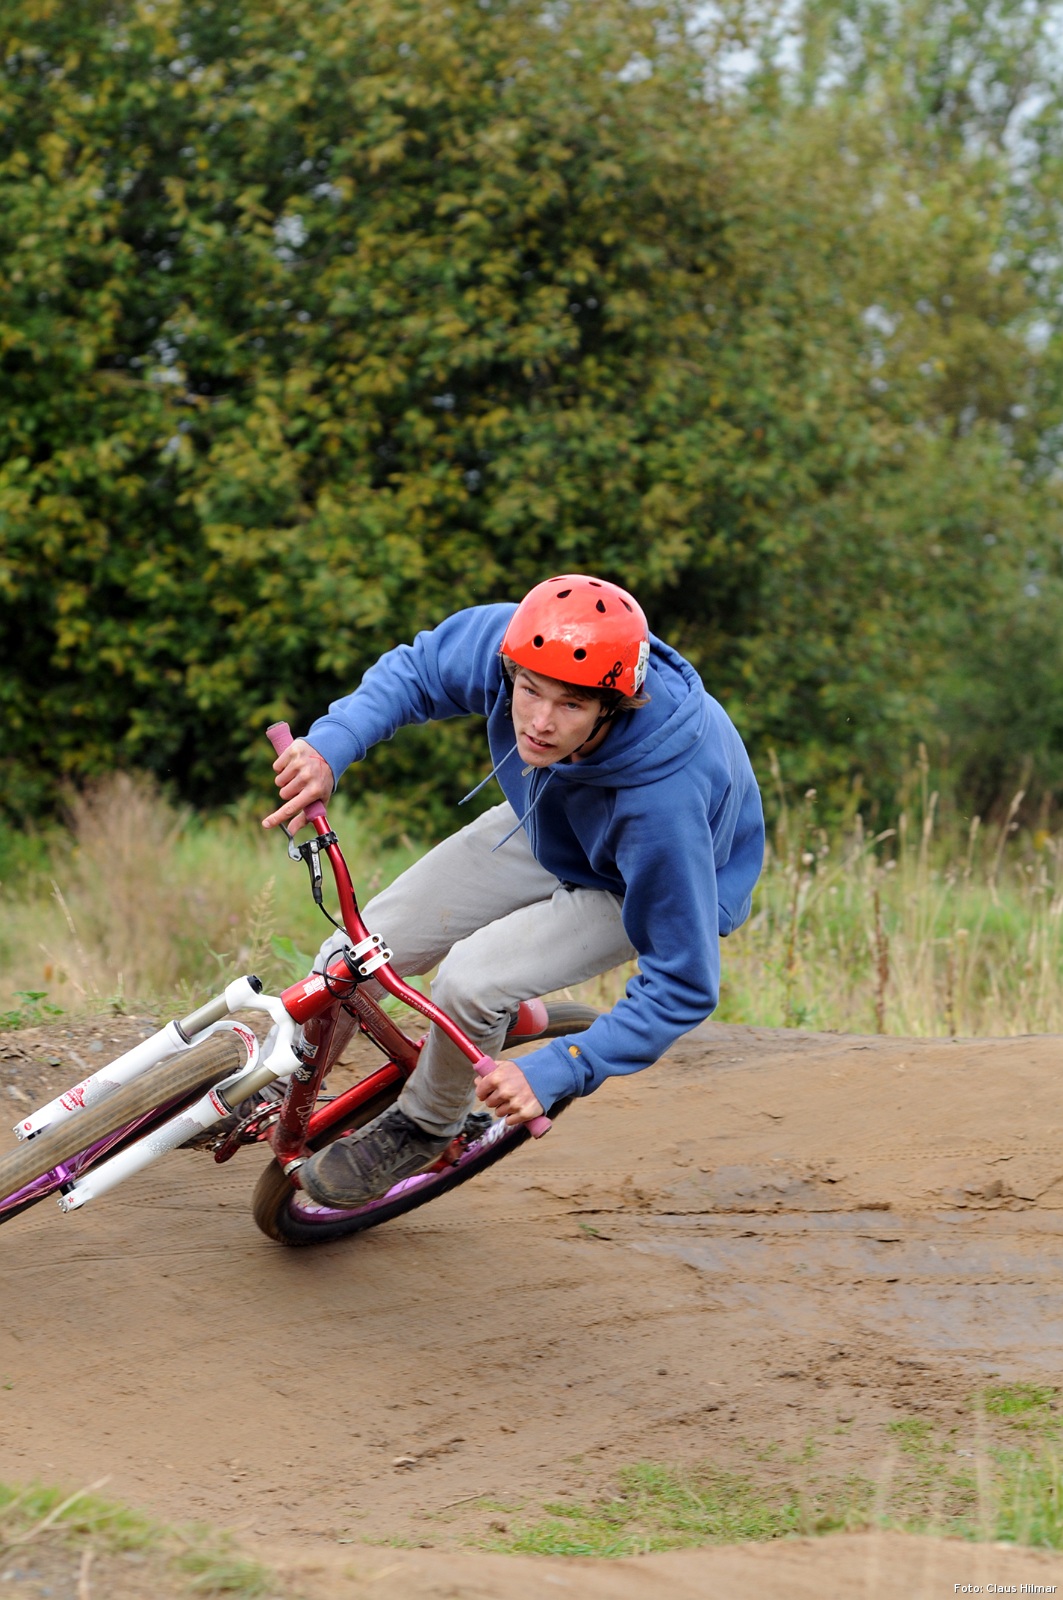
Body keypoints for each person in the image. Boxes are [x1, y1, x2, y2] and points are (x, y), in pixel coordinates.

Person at [262, 574, 764, 1207]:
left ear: (613, 705)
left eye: (571, 706)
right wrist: (330, 749)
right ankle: (288, 1085)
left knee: (473, 982)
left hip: (634, 874)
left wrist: (561, 1068)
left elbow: (685, 982)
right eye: (529, 692)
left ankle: (426, 1125)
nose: (540, 722)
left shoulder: (662, 807)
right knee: (352, 958)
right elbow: (417, 673)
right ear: (514, 666)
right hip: (550, 813)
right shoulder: (527, 641)